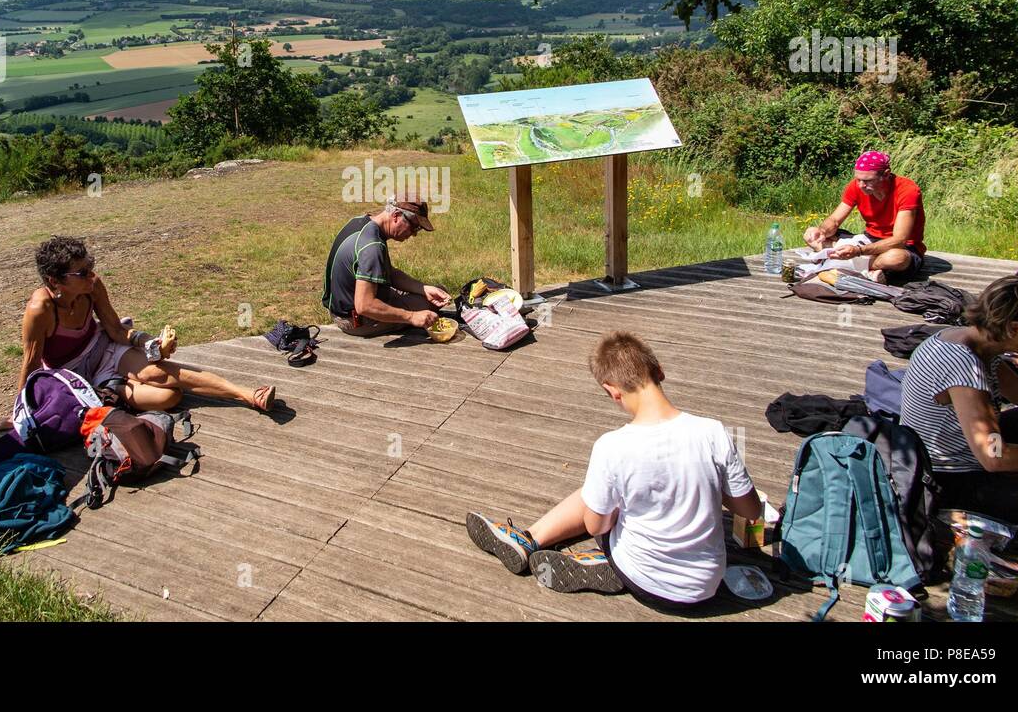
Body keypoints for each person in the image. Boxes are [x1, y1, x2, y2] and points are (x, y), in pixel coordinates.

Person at [466, 331, 761, 610]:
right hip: (705, 588)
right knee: (616, 493)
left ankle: (548, 544)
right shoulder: (713, 432)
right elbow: (750, 510)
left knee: (597, 496)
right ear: (660, 371)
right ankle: (547, 545)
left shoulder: (613, 446)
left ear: (612, 392)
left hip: (644, 581)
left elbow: (596, 526)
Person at [20, 236, 275, 413]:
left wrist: (150, 344)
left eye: (91, 266)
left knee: (160, 373)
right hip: (74, 374)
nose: (92, 275)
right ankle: (112, 389)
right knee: (168, 396)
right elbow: (31, 364)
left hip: (103, 348)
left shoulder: (92, 287)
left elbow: (116, 330)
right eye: (82, 272)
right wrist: (21, 411)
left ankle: (248, 395)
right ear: (55, 281)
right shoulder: (40, 310)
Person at [900, 276, 1018, 535]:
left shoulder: (965, 340)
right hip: (948, 480)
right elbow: (994, 457)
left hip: (964, 449)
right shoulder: (965, 366)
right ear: (1014, 328)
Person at [321, 198, 452, 336]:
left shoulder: (361, 222)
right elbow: (364, 306)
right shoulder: (372, 246)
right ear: (396, 216)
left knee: (434, 293)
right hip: (355, 320)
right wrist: (412, 317)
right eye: (414, 226)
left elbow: (388, 272)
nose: (414, 233)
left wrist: (423, 288)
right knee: (431, 305)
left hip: (343, 308)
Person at [803, 150, 926, 281]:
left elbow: (899, 240)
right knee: (810, 234)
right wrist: (822, 231)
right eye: (858, 179)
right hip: (869, 240)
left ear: (886, 174)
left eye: (868, 180)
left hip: (902, 247)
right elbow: (834, 220)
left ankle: (842, 260)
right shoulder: (856, 186)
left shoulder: (907, 190)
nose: (861, 185)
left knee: (896, 258)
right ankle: (867, 266)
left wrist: (858, 251)